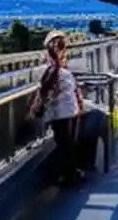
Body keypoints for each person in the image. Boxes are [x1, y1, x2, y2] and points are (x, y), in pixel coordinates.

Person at [31, 31, 84, 185]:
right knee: (69, 142)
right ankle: (72, 172)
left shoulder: (48, 70)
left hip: (59, 112)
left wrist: (35, 108)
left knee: (63, 142)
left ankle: (67, 174)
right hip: (71, 109)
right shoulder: (64, 70)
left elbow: (44, 90)